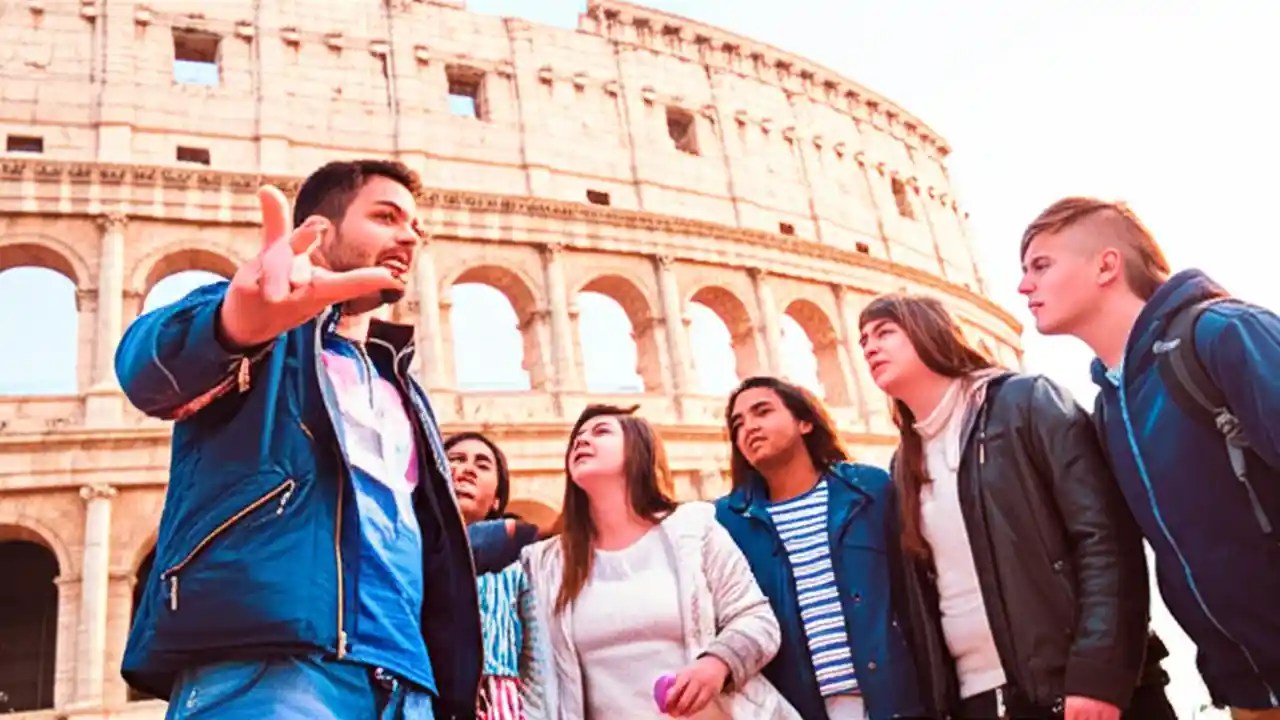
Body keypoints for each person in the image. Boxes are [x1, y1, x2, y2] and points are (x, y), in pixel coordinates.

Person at [117, 160, 484, 719]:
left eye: (416, 227)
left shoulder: (403, 389)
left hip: (406, 684)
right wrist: (233, 325)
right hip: (271, 669)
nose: (410, 235)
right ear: (319, 228)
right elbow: (146, 370)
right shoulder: (261, 334)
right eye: (387, 216)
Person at [1018, 197, 1280, 719]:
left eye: (1040, 266)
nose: (1024, 286)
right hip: (1247, 690)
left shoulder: (1224, 334)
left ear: (1106, 265)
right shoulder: (1110, 408)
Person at [858, 293, 1169, 720]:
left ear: (927, 331)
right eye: (862, 340)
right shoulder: (904, 463)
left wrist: (1099, 674)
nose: (870, 347)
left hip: (1078, 690)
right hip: (980, 700)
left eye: (884, 332)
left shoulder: (1024, 403)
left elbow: (1105, 538)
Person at [519, 404, 799, 720]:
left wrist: (717, 663)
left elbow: (756, 618)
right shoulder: (543, 564)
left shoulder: (695, 528)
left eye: (601, 432)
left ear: (638, 449)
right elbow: (535, 679)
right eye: (577, 438)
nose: (581, 441)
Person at [714, 375, 925, 720]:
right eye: (737, 424)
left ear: (805, 422)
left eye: (762, 412)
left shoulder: (869, 491)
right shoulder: (727, 522)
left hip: (894, 700)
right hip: (796, 709)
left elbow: (916, 589)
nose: (748, 427)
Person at [445, 432, 540, 720]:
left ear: (497, 498)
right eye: (455, 460)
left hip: (501, 706)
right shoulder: (402, 550)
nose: (467, 470)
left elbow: (537, 653)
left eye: (482, 464)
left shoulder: (520, 565)